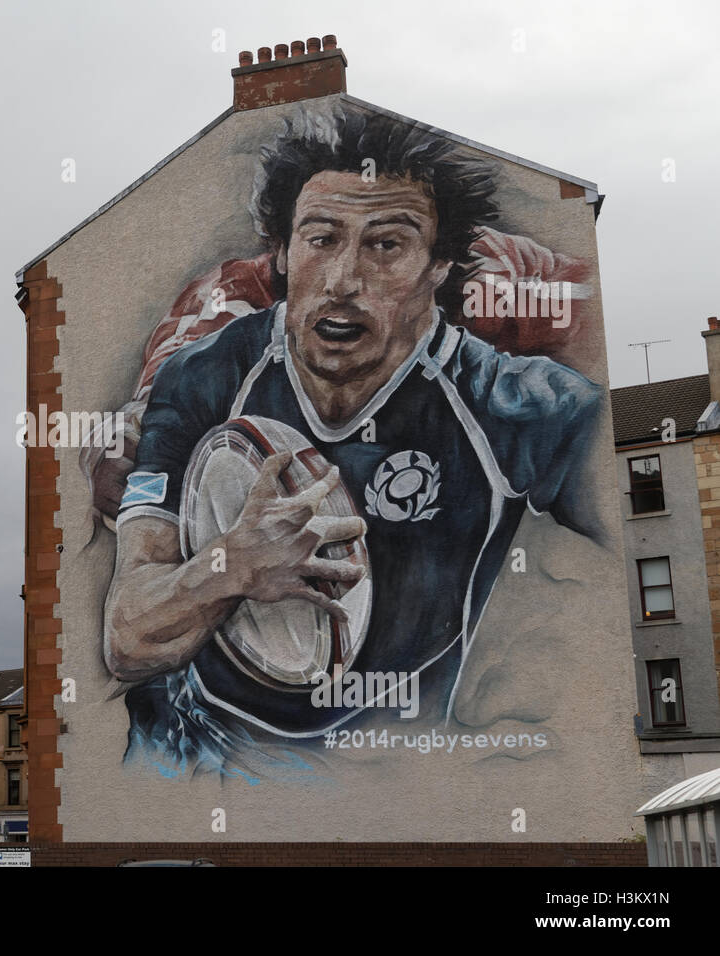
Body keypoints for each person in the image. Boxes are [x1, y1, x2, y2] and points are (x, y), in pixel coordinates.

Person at [103, 103, 605, 774]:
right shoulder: (206, 375)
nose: (343, 280)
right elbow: (126, 636)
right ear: (281, 252)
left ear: (440, 266)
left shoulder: (514, 404)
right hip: (187, 757)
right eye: (321, 238)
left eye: (386, 244)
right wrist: (231, 568)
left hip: (393, 779)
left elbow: (642, 511)